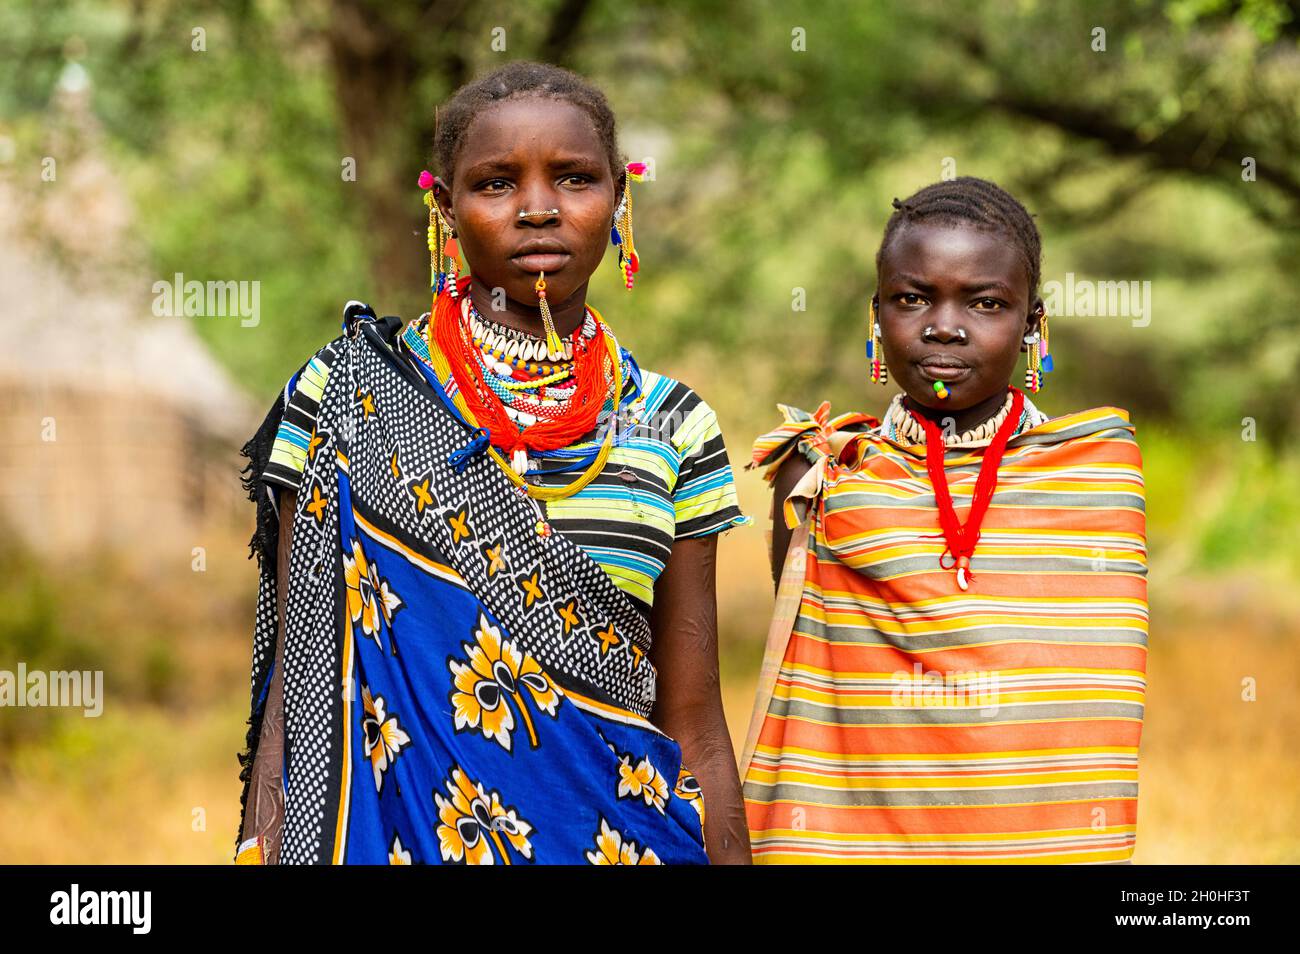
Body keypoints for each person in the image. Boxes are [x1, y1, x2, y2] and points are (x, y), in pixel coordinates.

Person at [234, 61, 751, 865]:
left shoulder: (671, 424)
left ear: (620, 199)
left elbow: (696, 721)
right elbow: (303, 687)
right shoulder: (346, 393)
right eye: (496, 183)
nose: (538, 209)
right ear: (443, 206)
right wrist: (260, 843)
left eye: (575, 179)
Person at [741, 177, 1148, 863]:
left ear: (1032, 324)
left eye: (986, 302)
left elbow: (1090, 702)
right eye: (912, 298)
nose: (944, 326)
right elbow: (808, 664)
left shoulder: (1094, 478)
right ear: (877, 316)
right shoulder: (822, 473)